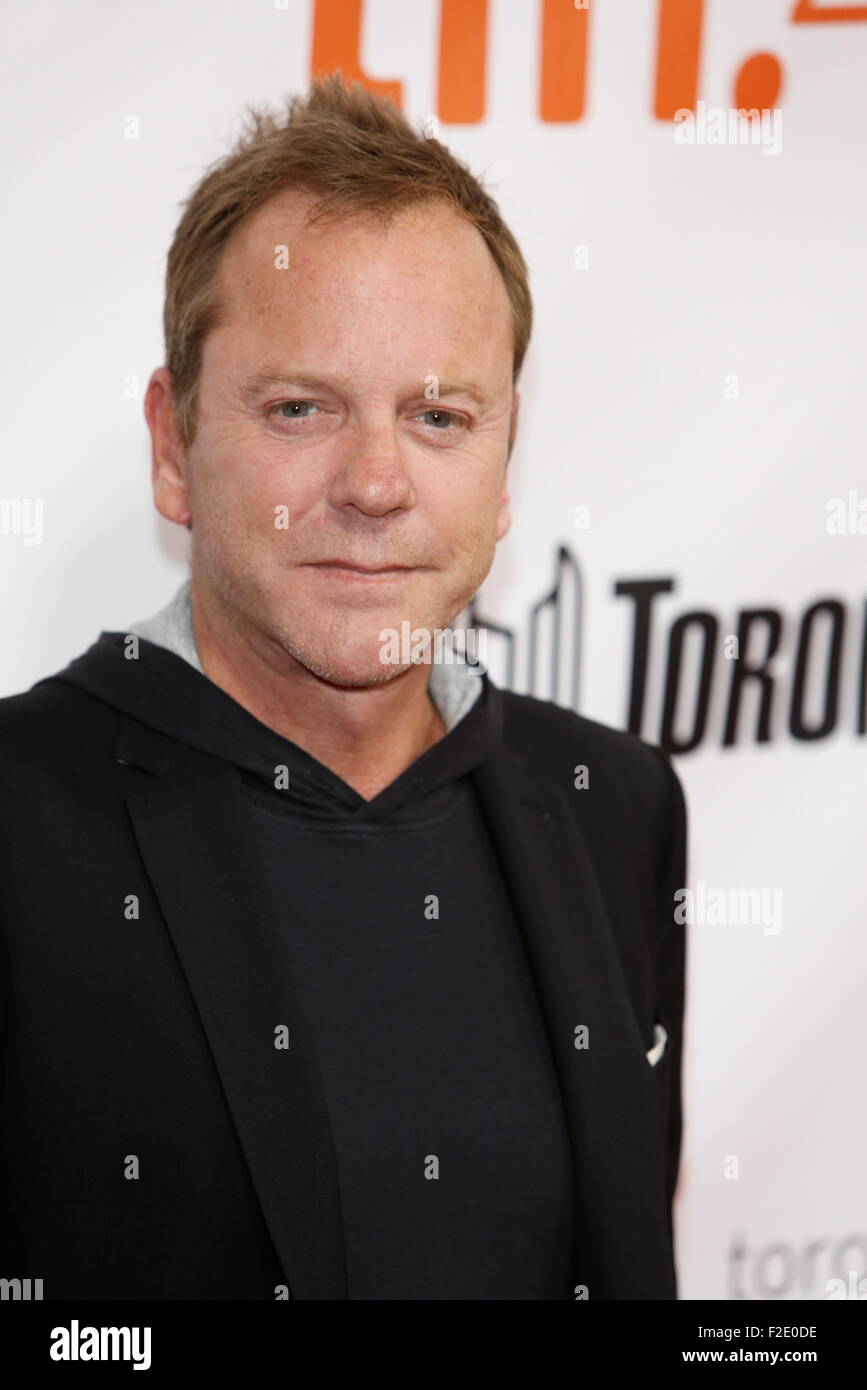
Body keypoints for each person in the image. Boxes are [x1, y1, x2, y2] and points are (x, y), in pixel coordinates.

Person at [0, 72, 687, 1300]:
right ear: (174, 443)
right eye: (302, 406)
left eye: (438, 415)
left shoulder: (616, 808)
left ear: (505, 460)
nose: (375, 484)